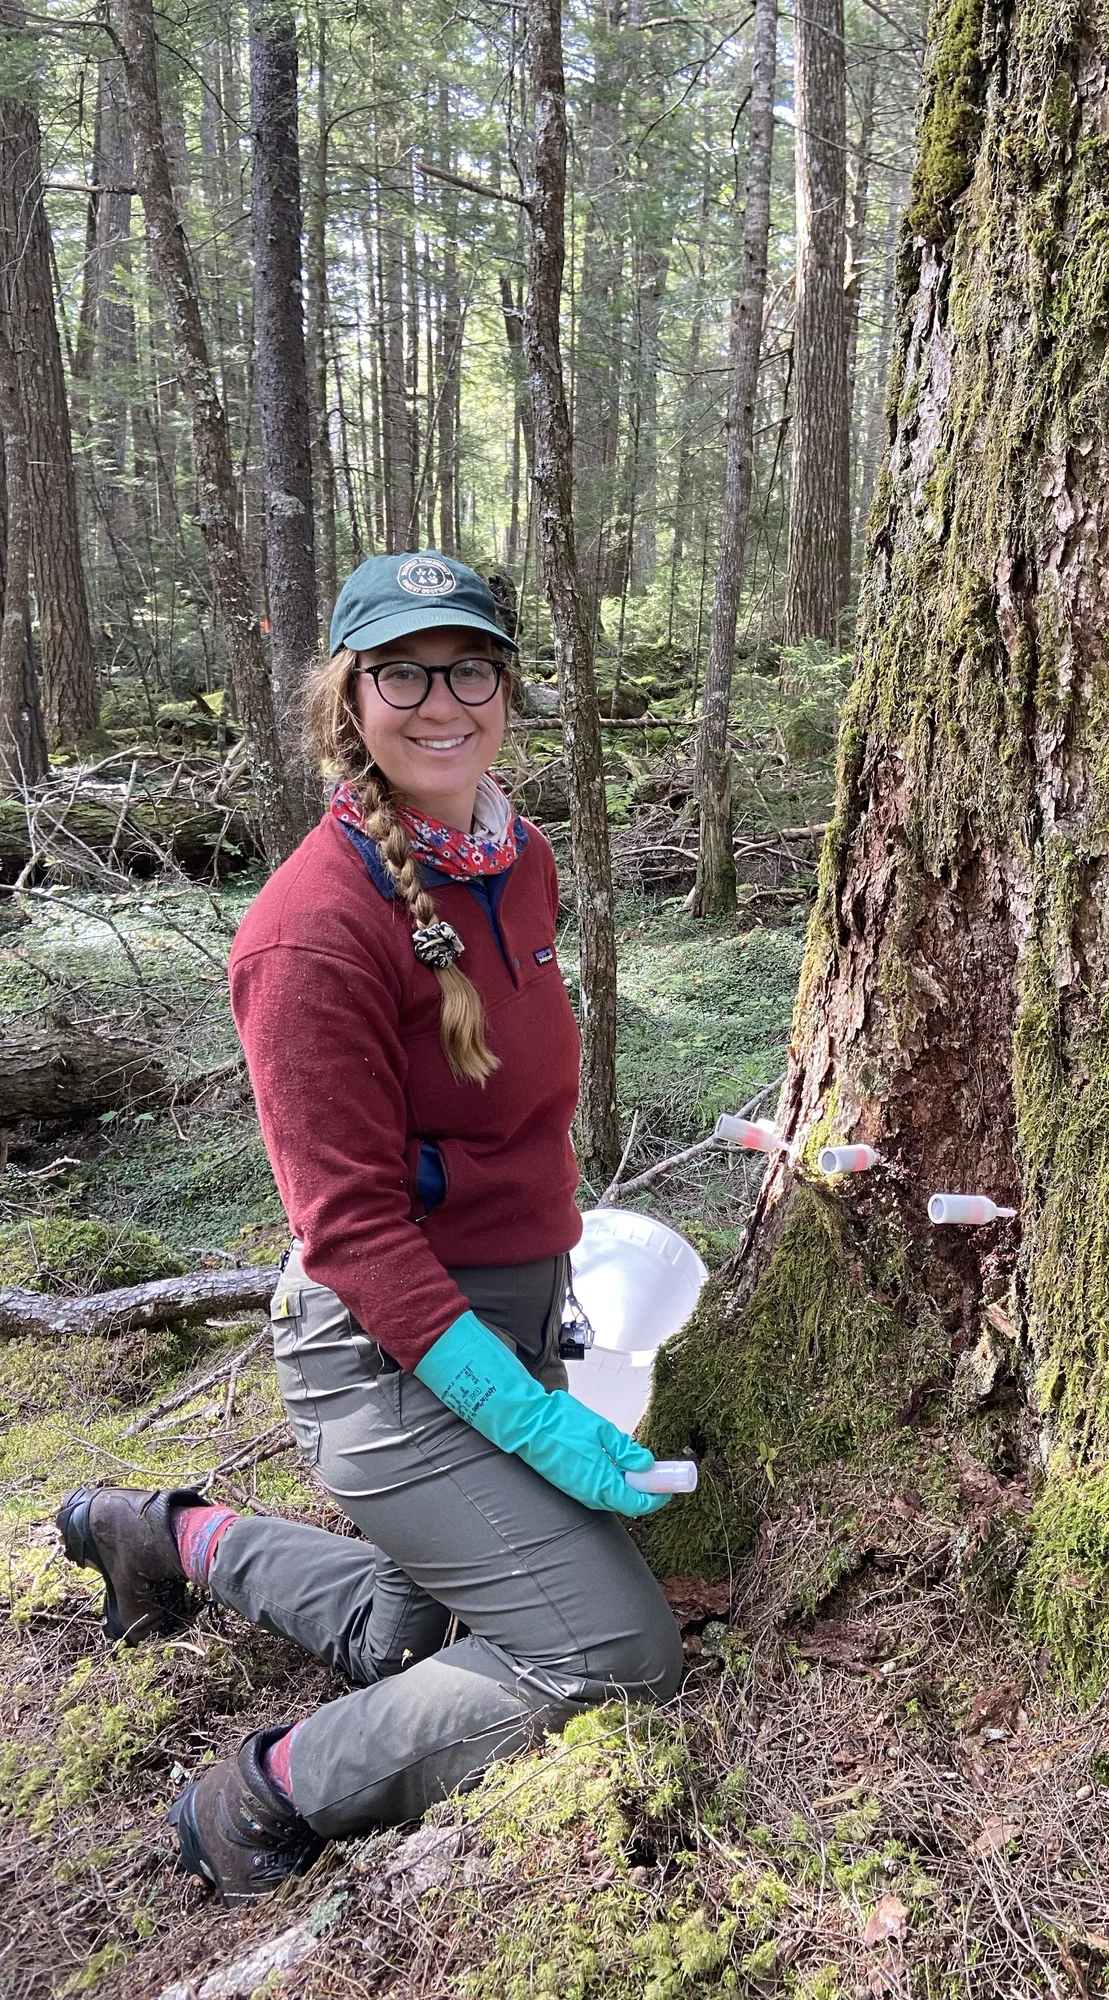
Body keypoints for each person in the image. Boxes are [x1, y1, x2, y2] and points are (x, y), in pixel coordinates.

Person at [56, 552, 683, 1903]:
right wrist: (529, 1419)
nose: (441, 702)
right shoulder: (310, 932)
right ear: (352, 697)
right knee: (609, 1651)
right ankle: (256, 1797)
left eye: (471, 669)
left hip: (514, 1323)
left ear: (505, 690)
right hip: (385, 1362)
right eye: (403, 672)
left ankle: (166, 1540)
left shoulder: (519, 860)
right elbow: (351, 1233)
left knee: (409, 1632)